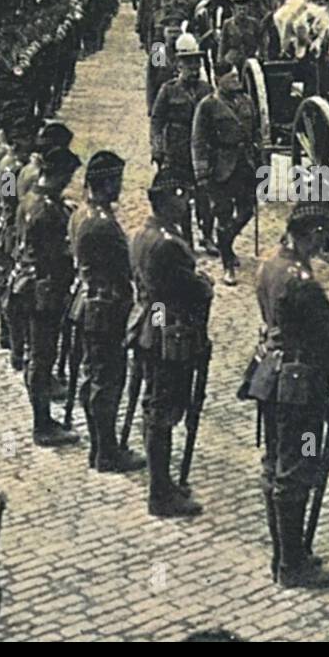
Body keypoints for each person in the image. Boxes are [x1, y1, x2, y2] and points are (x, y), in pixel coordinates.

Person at [247, 200, 329, 588]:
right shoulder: (303, 283)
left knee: (275, 464)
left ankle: (285, 553)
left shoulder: (270, 265)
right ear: (314, 234)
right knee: (298, 467)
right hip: (302, 396)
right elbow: (328, 343)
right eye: (323, 236)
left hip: (272, 380)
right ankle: (292, 564)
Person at [133, 168, 214, 518]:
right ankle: (160, 492)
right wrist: (204, 284)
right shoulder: (168, 242)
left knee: (156, 406)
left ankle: (163, 483)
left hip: (153, 321)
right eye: (181, 196)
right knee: (163, 411)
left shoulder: (144, 232)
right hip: (170, 331)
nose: (187, 203)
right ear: (167, 200)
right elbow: (194, 289)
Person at [70, 151, 146, 473]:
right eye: (117, 181)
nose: (120, 187)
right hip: (106, 308)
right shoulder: (102, 225)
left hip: (89, 303)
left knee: (94, 375)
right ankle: (106, 451)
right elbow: (127, 266)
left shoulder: (80, 214)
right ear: (106, 183)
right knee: (108, 380)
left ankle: (102, 445)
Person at [12, 146, 83, 446]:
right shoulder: (47, 212)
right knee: (41, 359)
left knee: (38, 357)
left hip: (28, 286)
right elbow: (58, 256)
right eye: (66, 177)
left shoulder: (30, 199)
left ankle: (44, 416)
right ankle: (42, 424)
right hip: (44, 293)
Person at [192, 51, 260, 286]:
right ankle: (228, 265)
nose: (236, 81)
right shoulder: (208, 105)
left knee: (247, 211)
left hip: (244, 165)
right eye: (231, 78)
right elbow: (198, 141)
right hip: (220, 168)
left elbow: (257, 133)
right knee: (222, 215)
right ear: (218, 80)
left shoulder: (246, 102)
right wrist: (202, 173)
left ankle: (226, 243)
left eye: (236, 77)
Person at [151, 46, 215, 253]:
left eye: (196, 64)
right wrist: (157, 148)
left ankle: (207, 235)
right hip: (177, 149)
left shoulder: (207, 90)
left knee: (205, 194)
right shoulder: (168, 90)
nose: (193, 69)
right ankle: (187, 238)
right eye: (188, 64)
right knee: (182, 194)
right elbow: (157, 121)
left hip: (202, 150)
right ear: (179, 66)